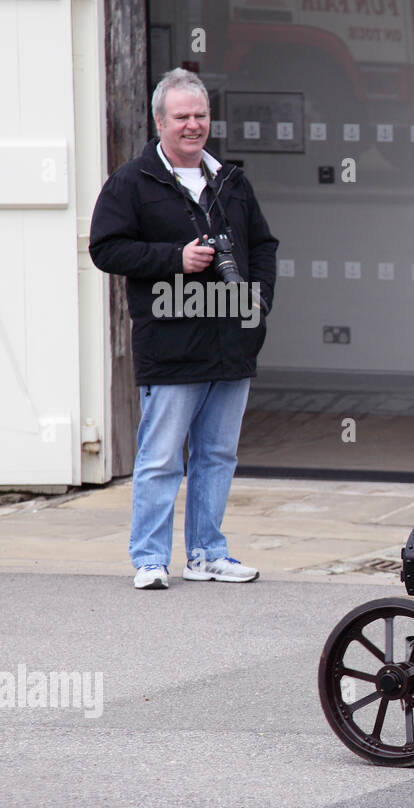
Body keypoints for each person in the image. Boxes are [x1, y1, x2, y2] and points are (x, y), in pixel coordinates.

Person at [89, 68, 278, 589]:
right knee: (161, 457)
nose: (193, 125)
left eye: (200, 115)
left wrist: (260, 300)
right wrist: (175, 258)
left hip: (233, 340)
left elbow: (263, 245)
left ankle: (205, 554)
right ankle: (150, 559)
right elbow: (105, 249)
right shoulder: (132, 180)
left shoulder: (232, 181)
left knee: (217, 455)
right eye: (182, 117)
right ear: (159, 122)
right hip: (171, 343)